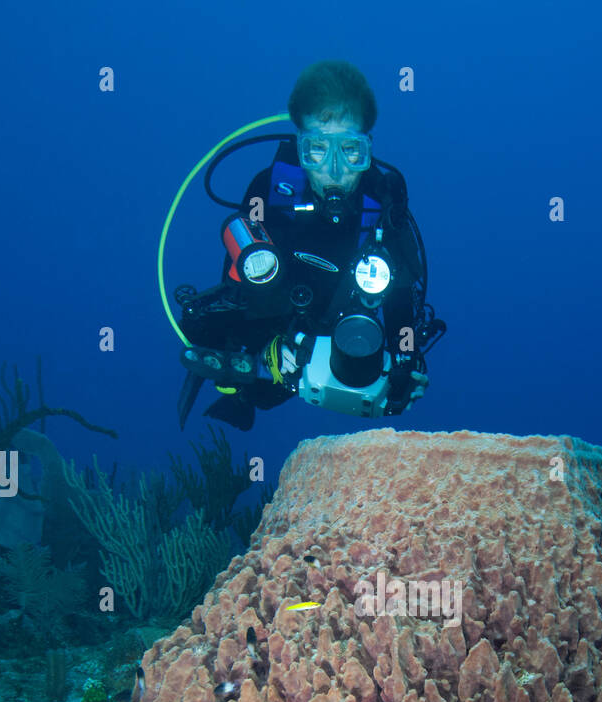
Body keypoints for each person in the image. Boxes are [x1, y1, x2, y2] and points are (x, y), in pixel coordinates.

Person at [176, 61, 445, 430]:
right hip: (271, 329)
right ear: (300, 147)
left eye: (350, 151)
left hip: (339, 329)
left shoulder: (384, 202)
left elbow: (402, 299)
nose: (334, 171)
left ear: (368, 148)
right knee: (254, 390)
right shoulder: (268, 191)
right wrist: (267, 349)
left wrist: (406, 361)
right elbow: (237, 287)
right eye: (317, 150)